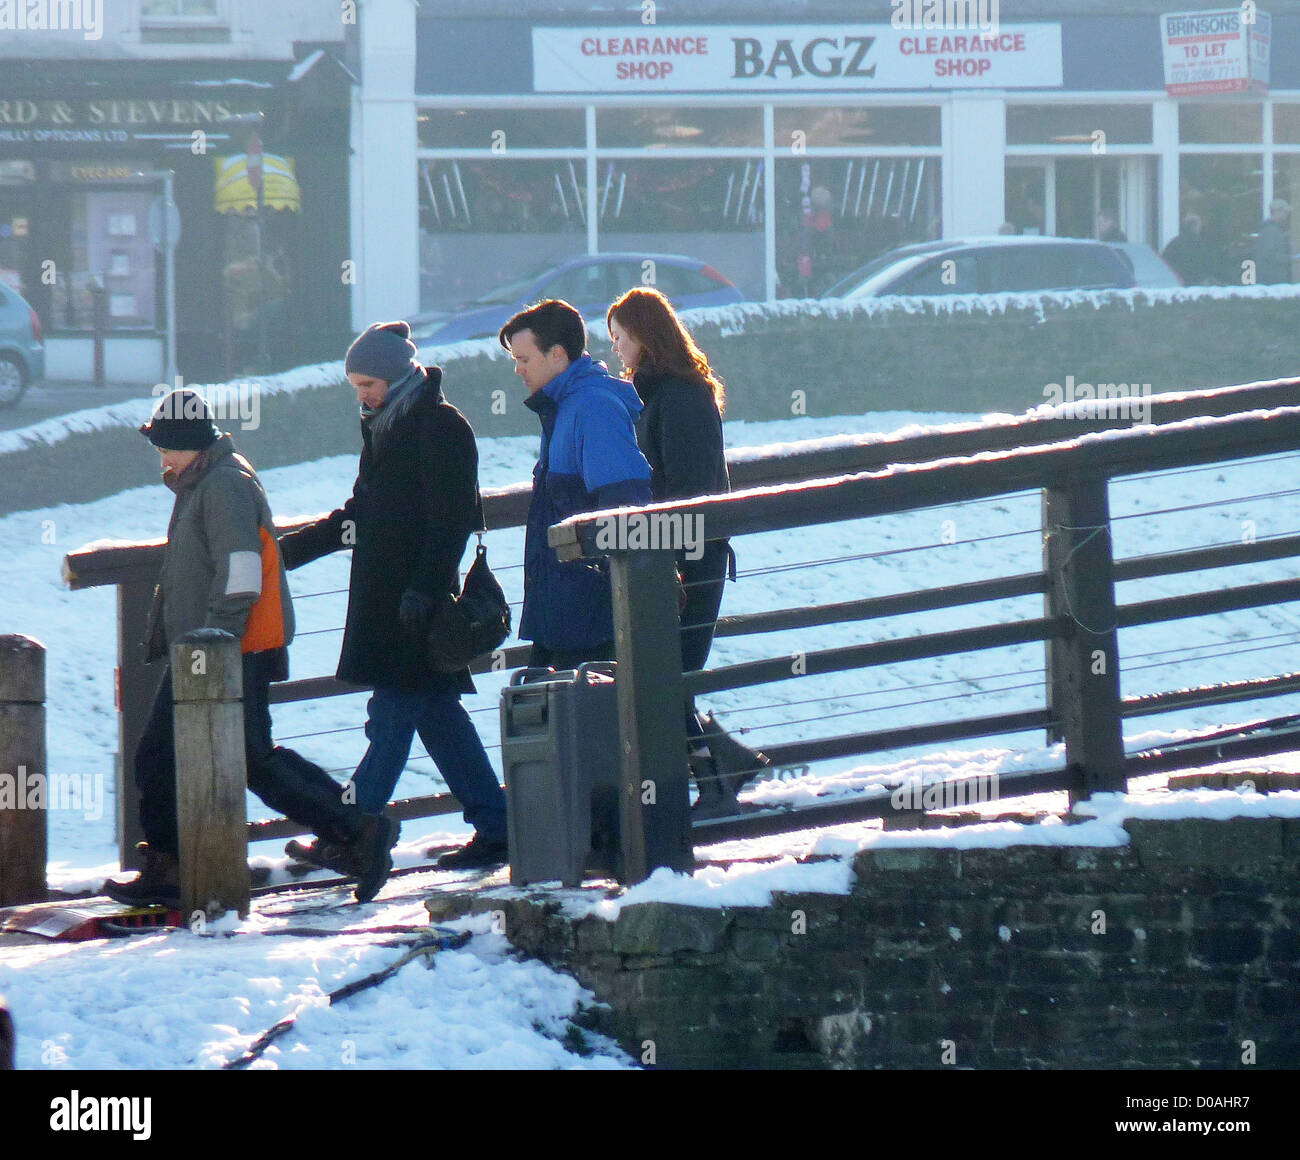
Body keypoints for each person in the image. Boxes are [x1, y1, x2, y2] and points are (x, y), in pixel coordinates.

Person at [104, 390, 395, 907]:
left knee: (183, 758)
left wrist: (215, 645)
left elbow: (239, 572)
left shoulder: (222, 486)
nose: (161, 457)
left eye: (166, 446)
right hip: (216, 647)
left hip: (221, 648)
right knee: (236, 757)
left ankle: (352, 830)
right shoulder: (204, 479)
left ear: (190, 443)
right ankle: (353, 830)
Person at [277, 322, 510, 871]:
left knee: (391, 717)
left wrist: (424, 589)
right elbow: (360, 513)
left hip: (414, 608)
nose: (361, 393)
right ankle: (499, 827)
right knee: (438, 720)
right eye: (356, 384)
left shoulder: (440, 427)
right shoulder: (384, 426)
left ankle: (352, 829)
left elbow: (452, 519)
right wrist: (286, 553)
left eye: (369, 382)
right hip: (390, 604)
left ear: (397, 374)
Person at [606, 287, 772, 814]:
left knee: (664, 675)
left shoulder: (677, 398)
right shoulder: (658, 395)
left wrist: (669, 560)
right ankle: (724, 761)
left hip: (687, 562)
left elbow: (689, 493)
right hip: (672, 559)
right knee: (664, 676)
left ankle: (715, 779)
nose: (616, 351)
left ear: (645, 337)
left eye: (620, 339)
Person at [499, 299, 653, 670]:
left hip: (589, 620)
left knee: (586, 722)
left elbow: (625, 506)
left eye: (523, 359)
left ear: (556, 355)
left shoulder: (591, 408)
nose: (518, 370)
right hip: (567, 612)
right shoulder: (564, 407)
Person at [1161, 213, 1214, 285]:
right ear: (1195, 227)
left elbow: (1165, 262)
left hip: (1178, 281)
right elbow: (1207, 263)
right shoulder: (1200, 244)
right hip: (1197, 282)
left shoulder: (1174, 243)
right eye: (1199, 226)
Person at [1254, 198, 1293, 284]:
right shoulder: (1270, 230)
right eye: (1285, 212)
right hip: (1271, 280)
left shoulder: (1274, 229)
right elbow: (1268, 255)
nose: (1286, 215)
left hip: (1273, 278)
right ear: (1277, 211)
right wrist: (1291, 259)